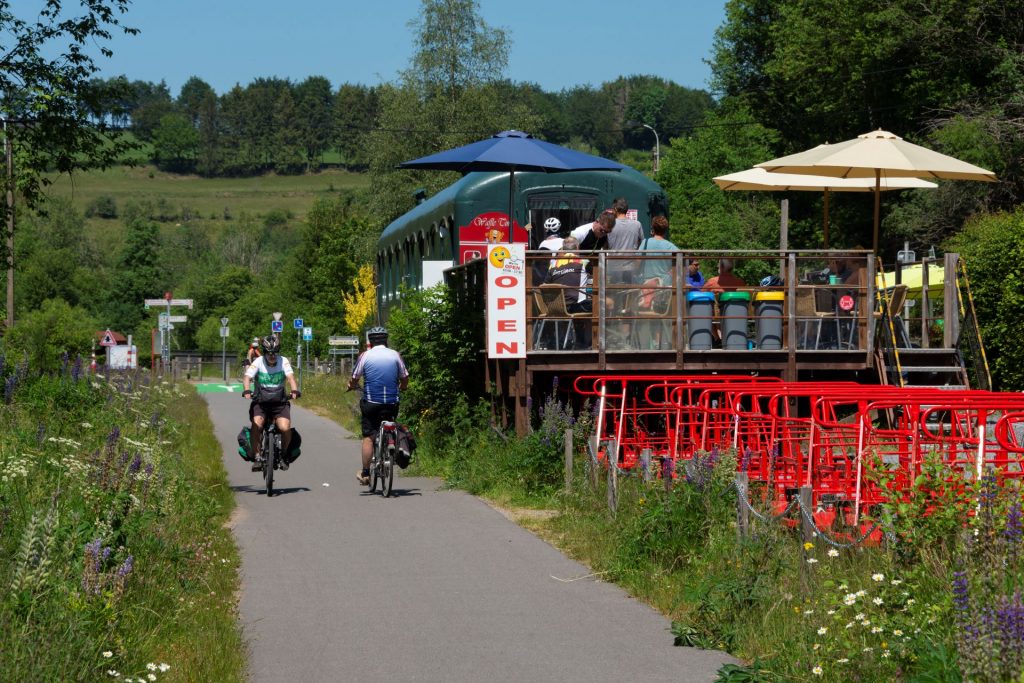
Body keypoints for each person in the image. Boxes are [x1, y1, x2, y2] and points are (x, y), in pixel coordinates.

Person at [348, 326, 409, 486]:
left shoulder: (365, 356)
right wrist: (403, 387)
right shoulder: (395, 355)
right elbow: (404, 377)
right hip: (391, 403)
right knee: (391, 421)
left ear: (371, 341)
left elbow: (355, 377)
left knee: (368, 437)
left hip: (371, 404)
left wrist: (352, 385)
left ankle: (366, 473)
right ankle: (392, 442)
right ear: (386, 340)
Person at [242, 333, 300, 470]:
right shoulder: (258, 362)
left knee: (285, 427)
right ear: (264, 352)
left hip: (279, 402)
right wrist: (246, 390)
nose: (272, 356)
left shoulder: (283, 361)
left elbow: (291, 378)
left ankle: (284, 455)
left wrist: (294, 390)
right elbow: (247, 377)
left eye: (275, 353)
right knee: (257, 424)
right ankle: (257, 456)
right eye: (269, 353)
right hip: (260, 402)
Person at [544, 236, 592, 349]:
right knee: (603, 304)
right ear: (578, 248)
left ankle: (575, 341)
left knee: (580, 302)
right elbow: (598, 276)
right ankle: (590, 342)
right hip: (575, 306)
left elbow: (545, 285)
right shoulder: (583, 262)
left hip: (556, 307)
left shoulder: (553, 265)